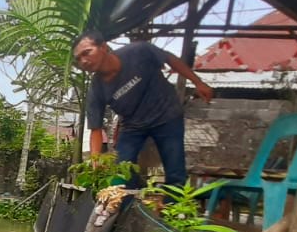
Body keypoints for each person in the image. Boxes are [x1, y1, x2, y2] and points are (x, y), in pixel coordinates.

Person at [74, 30, 214, 189]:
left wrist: (198, 82)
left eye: (87, 52)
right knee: (119, 175)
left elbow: (170, 59)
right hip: (133, 126)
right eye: (79, 59)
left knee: (175, 173)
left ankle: (173, 211)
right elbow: (95, 129)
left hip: (167, 116)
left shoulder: (138, 51)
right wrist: (95, 161)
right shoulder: (96, 89)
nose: (83, 61)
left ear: (104, 47)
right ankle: (126, 208)